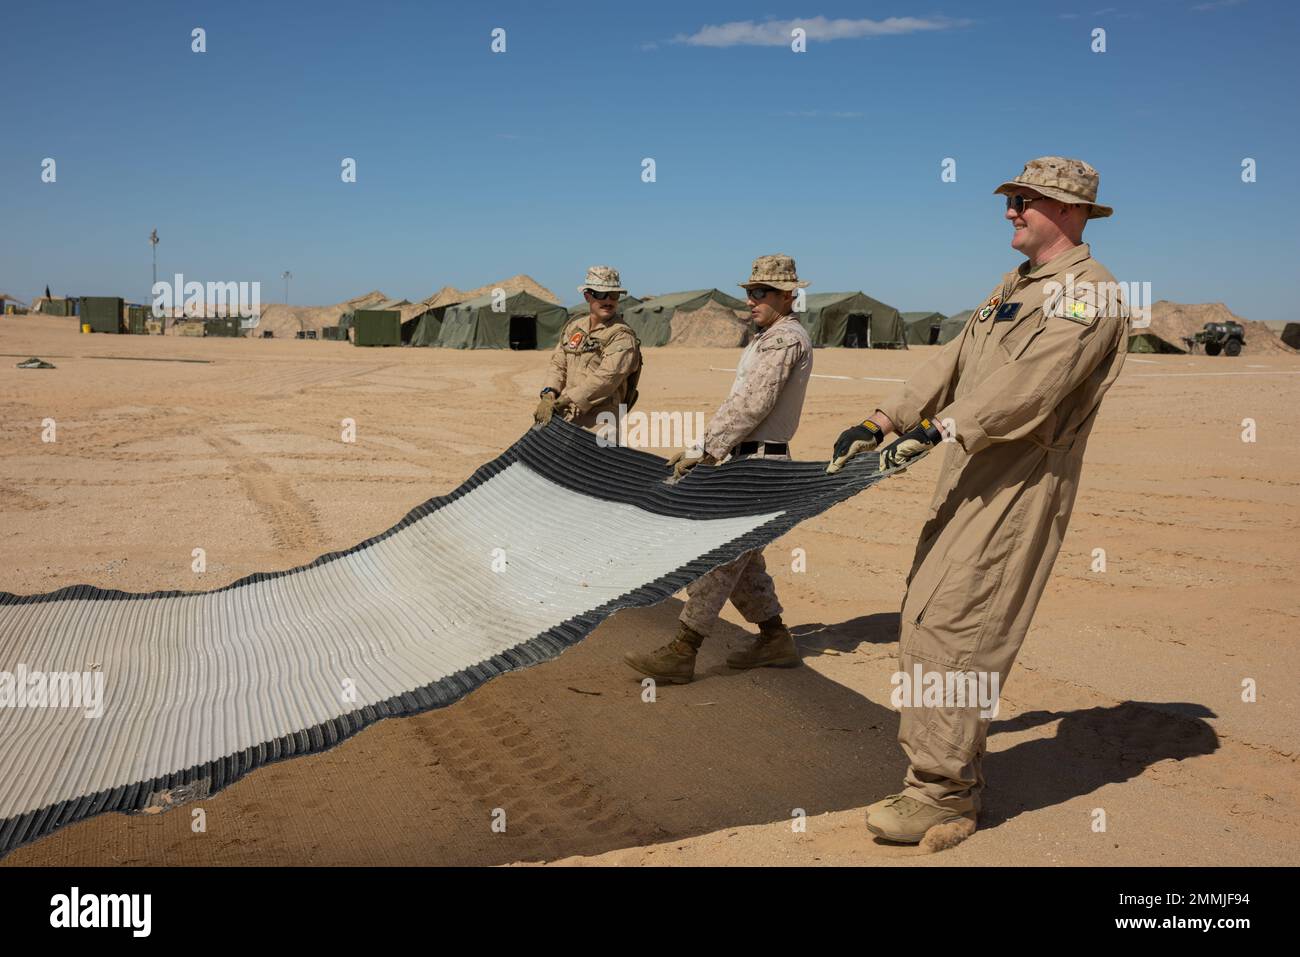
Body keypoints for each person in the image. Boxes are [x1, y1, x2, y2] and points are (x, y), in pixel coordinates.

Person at [827, 157, 1130, 844]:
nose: (1011, 210)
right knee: (927, 613)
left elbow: (1033, 384)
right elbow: (953, 362)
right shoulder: (1014, 284)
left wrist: (943, 428)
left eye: (1026, 199)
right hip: (967, 473)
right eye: (1013, 197)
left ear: (1072, 210)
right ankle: (939, 769)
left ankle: (944, 793)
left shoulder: (1091, 294)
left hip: (1018, 485)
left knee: (960, 626)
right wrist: (886, 419)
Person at [624, 254, 814, 684]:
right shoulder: (768, 337)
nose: (751, 300)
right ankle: (774, 638)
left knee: (720, 555)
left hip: (761, 464)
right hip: (747, 459)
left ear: (788, 294)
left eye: (761, 292)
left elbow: (754, 404)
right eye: (749, 292)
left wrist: (704, 449)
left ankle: (683, 650)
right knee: (744, 561)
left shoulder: (785, 340)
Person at [535, 266, 641, 441]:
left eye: (613, 295)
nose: (608, 301)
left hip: (600, 423)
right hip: (566, 414)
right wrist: (549, 394)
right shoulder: (574, 328)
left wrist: (567, 399)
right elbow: (558, 364)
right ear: (587, 296)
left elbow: (606, 378)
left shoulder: (621, 336)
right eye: (601, 295)